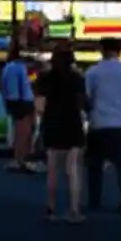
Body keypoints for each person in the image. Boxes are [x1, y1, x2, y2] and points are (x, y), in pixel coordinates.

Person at [83, 38, 121, 226]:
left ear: (101, 50)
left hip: (100, 124)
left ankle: (94, 201)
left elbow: (87, 98)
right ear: (120, 51)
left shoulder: (93, 72)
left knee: (95, 166)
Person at [36, 47, 86, 223]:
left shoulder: (45, 78)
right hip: (72, 122)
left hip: (52, 123)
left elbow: (40, 106)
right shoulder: (78, 79)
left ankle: (51, 208)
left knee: (52, 168)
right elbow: (82, 104)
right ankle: (74, 210)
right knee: (72, 169)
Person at [1, 43, 39, 173]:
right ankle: (20, 159)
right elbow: (14, 88)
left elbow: (29, 82)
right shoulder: (15, 68)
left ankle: (24, 157)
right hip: (21, 102)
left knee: (29, 130)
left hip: (24, 101)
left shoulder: (19, 68)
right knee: (23, 132)